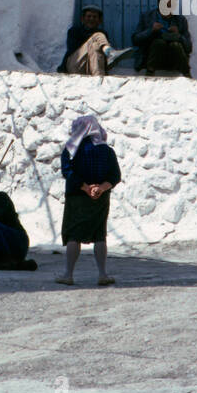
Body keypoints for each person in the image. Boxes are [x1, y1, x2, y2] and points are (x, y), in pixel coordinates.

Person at [55, 115, 121, 287]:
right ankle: (102, 274)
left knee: (74, 235)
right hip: (100, 199)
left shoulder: (70, 150)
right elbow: (115, 176)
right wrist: (100, 188)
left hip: (77, 197)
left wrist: (85, 187)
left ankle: (68, 274)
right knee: (99, 234)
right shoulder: (107, 151)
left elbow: (67, 171)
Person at [57, 4, 132, 76]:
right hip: (75, 64)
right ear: (82, 19)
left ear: (100, 21)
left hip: (90, 67)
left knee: (96, 46)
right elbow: (72, 49)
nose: (91, 19)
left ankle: (98, 77)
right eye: (88, 16)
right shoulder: (74, 31)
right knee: (97, 37)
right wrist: (92, 38)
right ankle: (110, 52)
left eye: (95, 17)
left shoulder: (103, 33)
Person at [131, 0, 192, 76]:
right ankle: (150, 74)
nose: (169, 9)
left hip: (172, 60)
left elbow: (189, 48)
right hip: (151, 59)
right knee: (159, 42)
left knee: (175, 45)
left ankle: (187, 75)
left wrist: (179, 36)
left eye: (172, 6)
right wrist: (151, 30)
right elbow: (135, 40)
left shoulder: (180, 20)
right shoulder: (147, 17)